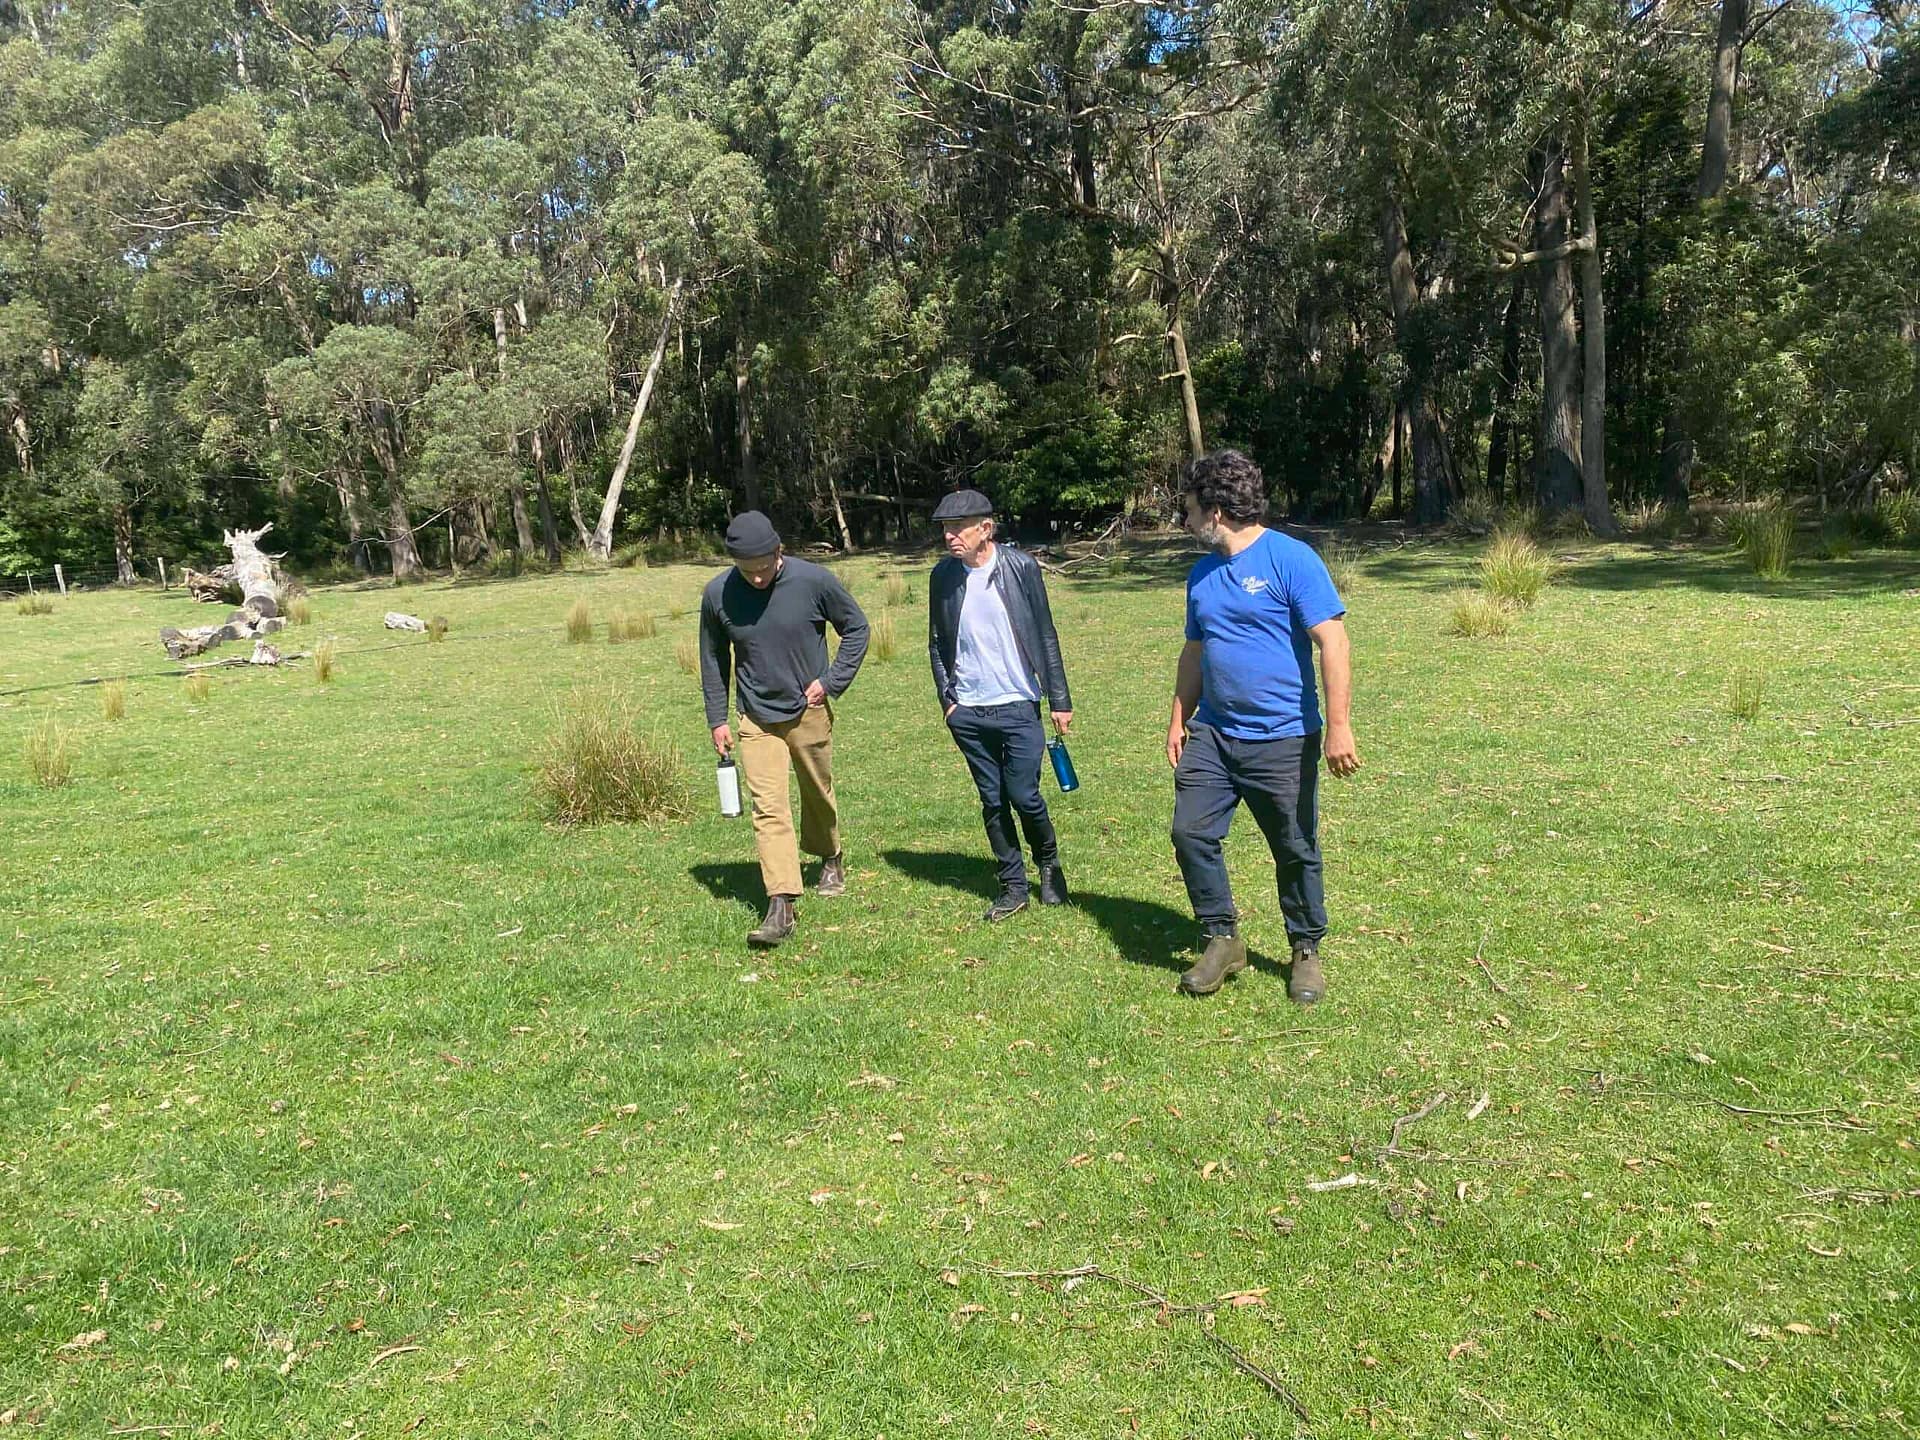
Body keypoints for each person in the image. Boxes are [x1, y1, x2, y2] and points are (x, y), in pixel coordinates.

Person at [1166, 451, 1361, 1002]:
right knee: (1190, 832)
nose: (1186, 522)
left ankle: (1305, 949)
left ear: (1217, 510)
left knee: (1294, 847)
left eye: (1190, 511)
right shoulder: (1202, 574)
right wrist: (1179, 717)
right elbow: (1194, 650)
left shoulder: (1291, 560)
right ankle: (1222, 938)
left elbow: (1333, 641)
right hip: (1215, 735)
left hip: (1283, 737)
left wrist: (1339, 726)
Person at [700, 511, 870, 947]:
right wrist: (718, 718)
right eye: (747, 571)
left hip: (807, 710)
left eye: (764, 568)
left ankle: (830, 854)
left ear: (780, 552)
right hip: (755, 716)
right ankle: (781, 904)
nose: (757, 579)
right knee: (768, 808)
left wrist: (830, 681)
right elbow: (714, 659)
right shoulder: (717, 594)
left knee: (817, 792)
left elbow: (856, 628)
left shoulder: (814, 582)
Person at [928, 489, 1074, 921]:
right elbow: (936, 643)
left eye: (958, 528)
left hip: (1017, 702)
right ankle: (1012, 883)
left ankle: (1048, 864)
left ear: (985, 529)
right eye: (945, 529)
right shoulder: (942, 577)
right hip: (968, 710)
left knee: (1024, 794)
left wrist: (1059, 700)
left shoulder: (1021, 568)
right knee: (992, 799)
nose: (950, 536)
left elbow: (1046, 635)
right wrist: (948, 700)